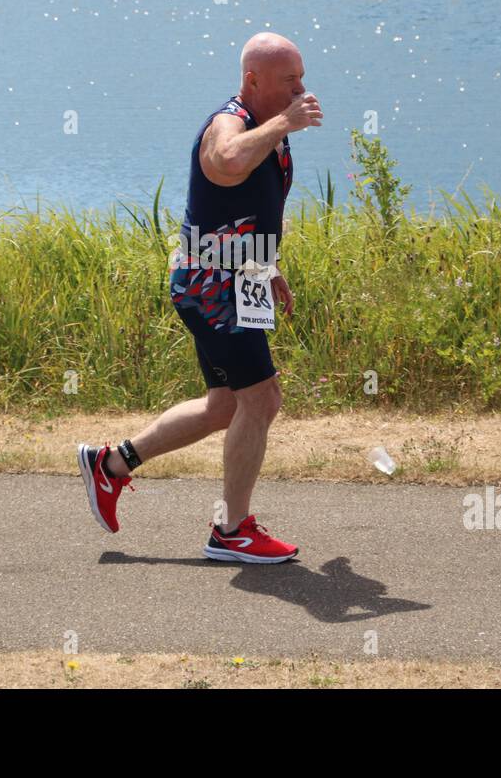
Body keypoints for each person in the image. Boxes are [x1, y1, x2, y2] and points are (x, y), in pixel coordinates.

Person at [79, 32, 322, 563]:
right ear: (253, 81)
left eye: (302, 77)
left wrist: (267, 267)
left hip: (239, 277)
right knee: (262, 399)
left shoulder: (268, 127)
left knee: (224, 405)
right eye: (289, 80)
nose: (301, 89)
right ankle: (231, 531)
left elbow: (241, 208)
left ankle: (111, 464)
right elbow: (226, 163)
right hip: (213, 287)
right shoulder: (230, 123)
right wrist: (286, 121)